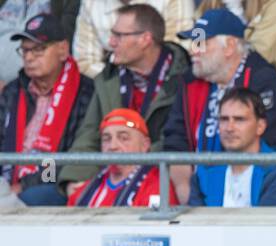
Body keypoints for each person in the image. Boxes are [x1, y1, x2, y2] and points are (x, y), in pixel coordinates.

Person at [163, 8, 276, 202]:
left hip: (256, 191)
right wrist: (187, 192)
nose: (193, 50)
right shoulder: (190, 81)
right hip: (199, 189)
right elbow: (175, 142)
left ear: (229, 46)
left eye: (201, 43)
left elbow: (272, 146)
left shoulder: (264, 80)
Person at [58, 4, 191, 196]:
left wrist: (128, 167)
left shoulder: (184, 79)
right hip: (110, 177)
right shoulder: (108, 78)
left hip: (160, 181)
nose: (111, 43)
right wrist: (73, 180)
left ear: (145, 39)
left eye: (119, 36)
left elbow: (174, 141)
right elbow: (88, 137)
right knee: (40, 196)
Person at [0, 13, 94, 206]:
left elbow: (73, 157)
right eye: (25, 51)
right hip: (7, 178)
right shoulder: (14, 91)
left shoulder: (85, 92)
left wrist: (25, 185)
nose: (29, 57)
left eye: (39, 49)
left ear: (62, 50)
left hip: (52, 180)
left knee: (35, 195)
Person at [188, 86, 276, 203]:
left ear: (260, 126)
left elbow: (266, 221)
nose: (229, 128)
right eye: (224, 119)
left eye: (239, 119)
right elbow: (194, 220)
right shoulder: (204, 173)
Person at [66, 106, 180, 205]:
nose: (112, 146)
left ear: (145, 145)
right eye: (106, 139)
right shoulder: (84, 191)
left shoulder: (157, 187)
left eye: (123, 138)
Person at [73, 0, 195, 78]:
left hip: (167, 87)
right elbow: (84, 63)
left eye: (119, 36)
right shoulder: (91, 3)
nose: (112, 42)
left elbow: (179, 54)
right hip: (110, 88)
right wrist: (120, 80)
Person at [193, 0, 276, 84]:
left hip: (270, 90)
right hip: (218, 85)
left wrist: (236, 16)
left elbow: (258, 56)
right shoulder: (210, 4)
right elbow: (195, 43)